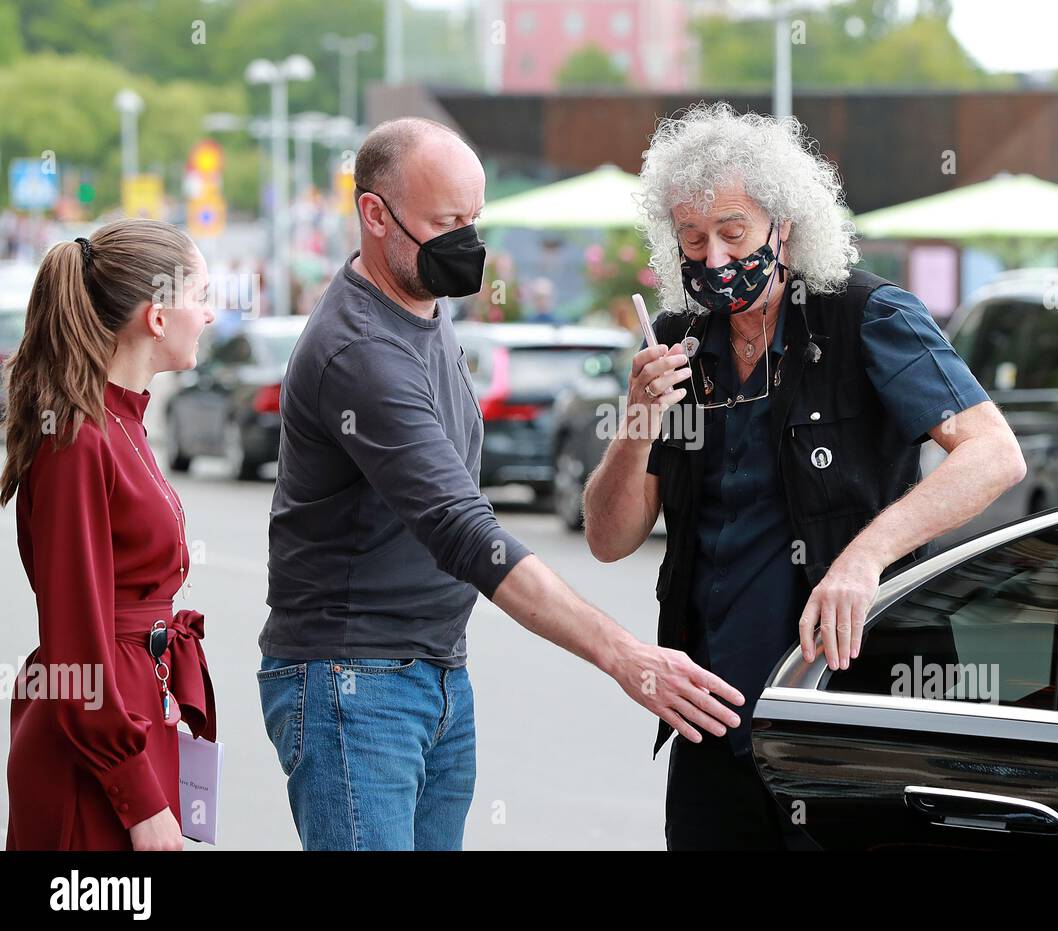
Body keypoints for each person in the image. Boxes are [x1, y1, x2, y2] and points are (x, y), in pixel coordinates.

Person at [257, 117, 744, 851]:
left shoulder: (421, 303)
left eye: (474, 219)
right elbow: (464, 530)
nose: (468, 242)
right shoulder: (359, 352)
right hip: (351, 683)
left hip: (434, 670)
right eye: (447, 222)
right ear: (375, 214)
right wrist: (626, 656)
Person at [582, 102, 1027, 851]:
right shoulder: (676, 347)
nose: (716, 259)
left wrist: (863, 558)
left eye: (734, 233)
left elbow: (993, 453)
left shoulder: (866, 317)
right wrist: (636, 420)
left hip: (849, 716)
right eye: (694, 240)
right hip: (711, 717)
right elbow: (608, 537)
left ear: (782, 226)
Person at [2, 219, 218, 851]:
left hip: (131, 714)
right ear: (156, 317)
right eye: (201, 296)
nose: (209, 314)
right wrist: (138, 796)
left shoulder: (120, 421)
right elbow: (72, 647)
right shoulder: (79, 439)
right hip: (93, 743)